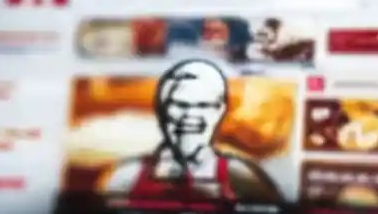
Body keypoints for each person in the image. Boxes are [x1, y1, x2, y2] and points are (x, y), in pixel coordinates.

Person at [100, 59, 282, 206]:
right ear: (162, 109)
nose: (191, 116)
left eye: (203, 106)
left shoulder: (240, 176)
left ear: (219, 111)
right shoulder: (126, 176)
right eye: (180, 105)